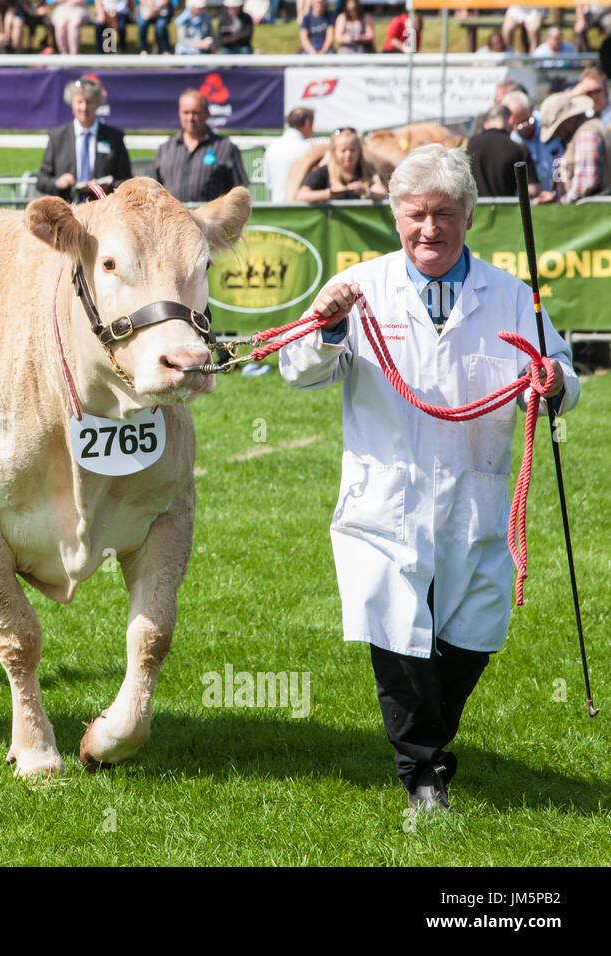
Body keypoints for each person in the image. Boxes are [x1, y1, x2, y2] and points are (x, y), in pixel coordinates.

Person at [279, 144, 579, 813]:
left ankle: (428, 749)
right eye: (416, 215)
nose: (430, 229)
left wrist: (556, 381)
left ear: (470, 216)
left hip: (477, 495)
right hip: (386, 498)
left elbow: (562, 370)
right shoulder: (360, 288)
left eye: (444, 214)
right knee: (398, 636)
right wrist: (325, 330)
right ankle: (423, 776)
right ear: (396, 217)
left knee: (467, 639)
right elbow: (297, 370)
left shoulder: (509, 296)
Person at [35, 76, 131, 201]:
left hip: (102, 211)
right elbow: (42, 181)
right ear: (72, 104)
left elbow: (127, 181)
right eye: (80, 102)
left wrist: (109, 186)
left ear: (98, 104)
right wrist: (59, 182)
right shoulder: (57, 137)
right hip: (68, 212)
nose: (84, 108)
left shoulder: (114, 138)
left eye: (89, 102)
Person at [153, 88, 249, 203]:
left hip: (212, 220)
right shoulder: (165, 149)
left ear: (207, 114)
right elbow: (154, 191)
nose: (190, 118)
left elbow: (240, 193)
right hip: (172, 220)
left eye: (196, 113)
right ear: (179, 113)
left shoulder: (226, 148)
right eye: (186, 112)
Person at [540, 91, 610, 203]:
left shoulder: (586, 134)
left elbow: (584, 185)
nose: (556, 134)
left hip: (593, 215)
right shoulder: (583, 132)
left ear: (568, 120)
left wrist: (561, 205)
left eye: (557, 128)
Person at [294, 126, 386, 201]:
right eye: (343, 151)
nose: (348, 154)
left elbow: (382, 193)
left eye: (352, 150)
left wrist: (366, 192)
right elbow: (301, 195)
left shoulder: (367, 170)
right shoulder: (325, 171)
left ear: (359, 151)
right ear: (334, 152)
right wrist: (330, 193)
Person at [467, 103, 535, 198]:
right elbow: (533, 189)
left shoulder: (471, 144)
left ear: (486, 124)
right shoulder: (518, 148)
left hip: (478, 211)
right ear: (510, 121)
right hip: (510, 211)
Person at [505, 90, 560, 194]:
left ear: (531, 109)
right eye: (518, 125)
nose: (525, 127)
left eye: (527, 121)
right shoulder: (510, 140)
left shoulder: (548, 125)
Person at [263, 106, 314, 201]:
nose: (313, 130)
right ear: (307, 123)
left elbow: (269, 183)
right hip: (300, 209)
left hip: (276, 207)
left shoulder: (272, 147)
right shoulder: (307, 149)